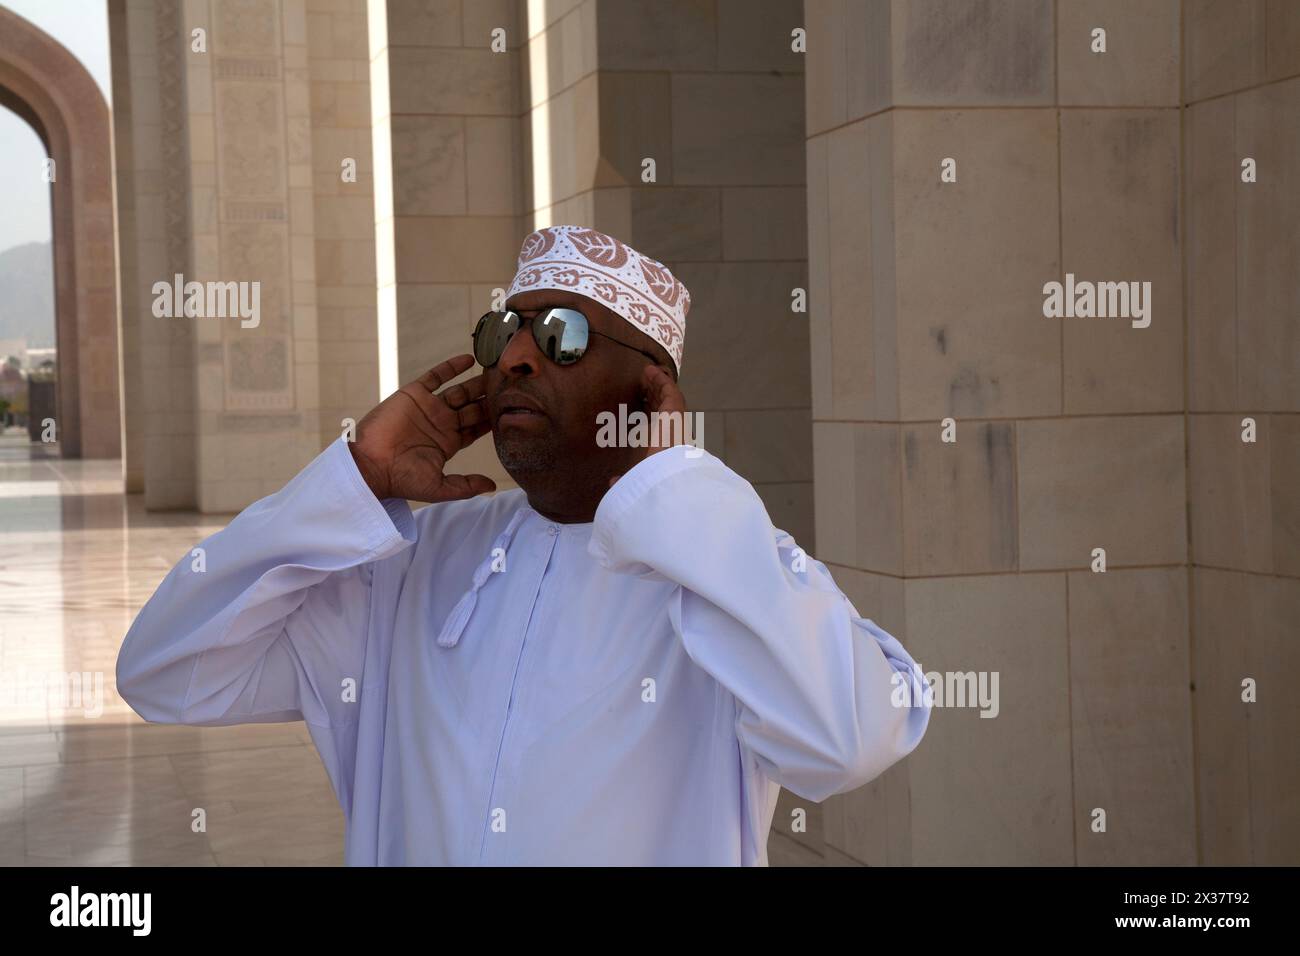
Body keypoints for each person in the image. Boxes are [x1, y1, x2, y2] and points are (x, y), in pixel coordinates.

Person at [117, 225, 931, 865]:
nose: (514, 357)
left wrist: (681, 490)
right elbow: (164, 672)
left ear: (650, 389)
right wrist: (355, 481)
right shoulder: (411, 562)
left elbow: (850, 741)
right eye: (503, 329)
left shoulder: (730, 569)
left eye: (562, 335)